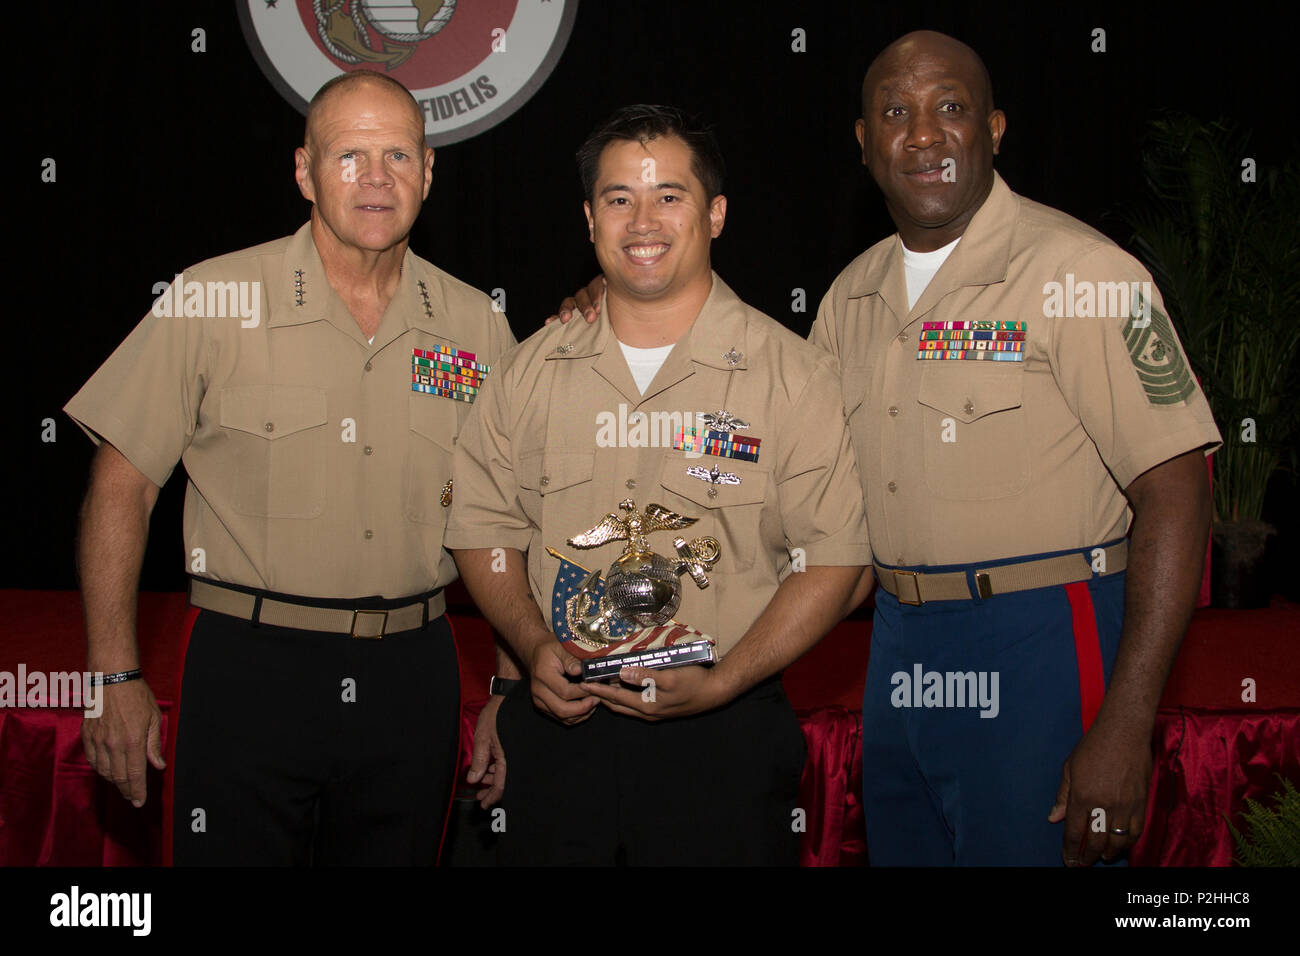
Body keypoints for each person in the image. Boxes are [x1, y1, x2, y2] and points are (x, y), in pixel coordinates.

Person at [555, 32, 1222, 866]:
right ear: (866, 144)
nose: (925, 134)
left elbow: (1176, 485)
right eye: (896, 113)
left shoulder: (1083, 275)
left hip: (1043, 639)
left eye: (951, 108)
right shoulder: (849, 299)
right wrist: (616, 295)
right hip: (899, 646)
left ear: (996, 129)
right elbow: (789, 471)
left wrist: (1126, 723)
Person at [64, 71, 515, 865]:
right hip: (249, 669)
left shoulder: (477, 323)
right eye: (349, 156)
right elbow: (120, 486)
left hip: (413, 673)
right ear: (305, 171)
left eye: (398, 156)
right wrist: (112, 676)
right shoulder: (211, 298)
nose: (375, 178)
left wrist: (509, 688)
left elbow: (509, 517)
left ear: (430, 172)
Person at [445, 104, 872, 865]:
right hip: (557, 735)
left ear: (715, 213)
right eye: (619, 199)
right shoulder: (525, 372)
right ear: (589, 218)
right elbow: (485, 532)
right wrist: (530, 645)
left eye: (669, 196)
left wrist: (723, 682)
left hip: (724, 740)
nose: (644, 220)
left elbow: (838, 563)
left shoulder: (795, 377)